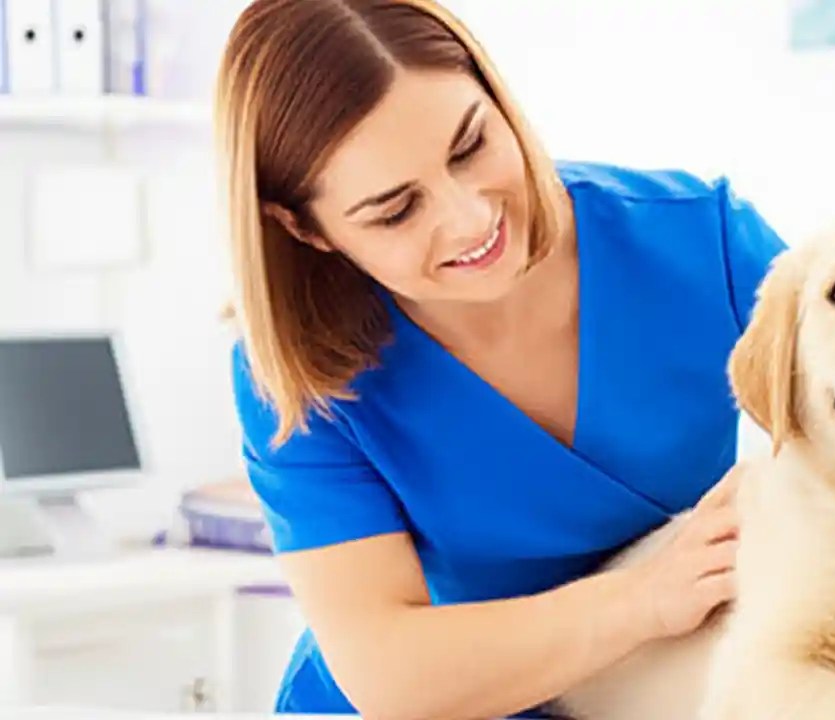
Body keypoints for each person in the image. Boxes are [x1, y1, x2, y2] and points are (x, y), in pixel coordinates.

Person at [217, 1, 787, 718]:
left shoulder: (705, 245)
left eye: (470, 145)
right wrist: (646, 599)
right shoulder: (296, 376)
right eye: (396, 211)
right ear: (305, 228)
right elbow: (389, 673)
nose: (469, 218)